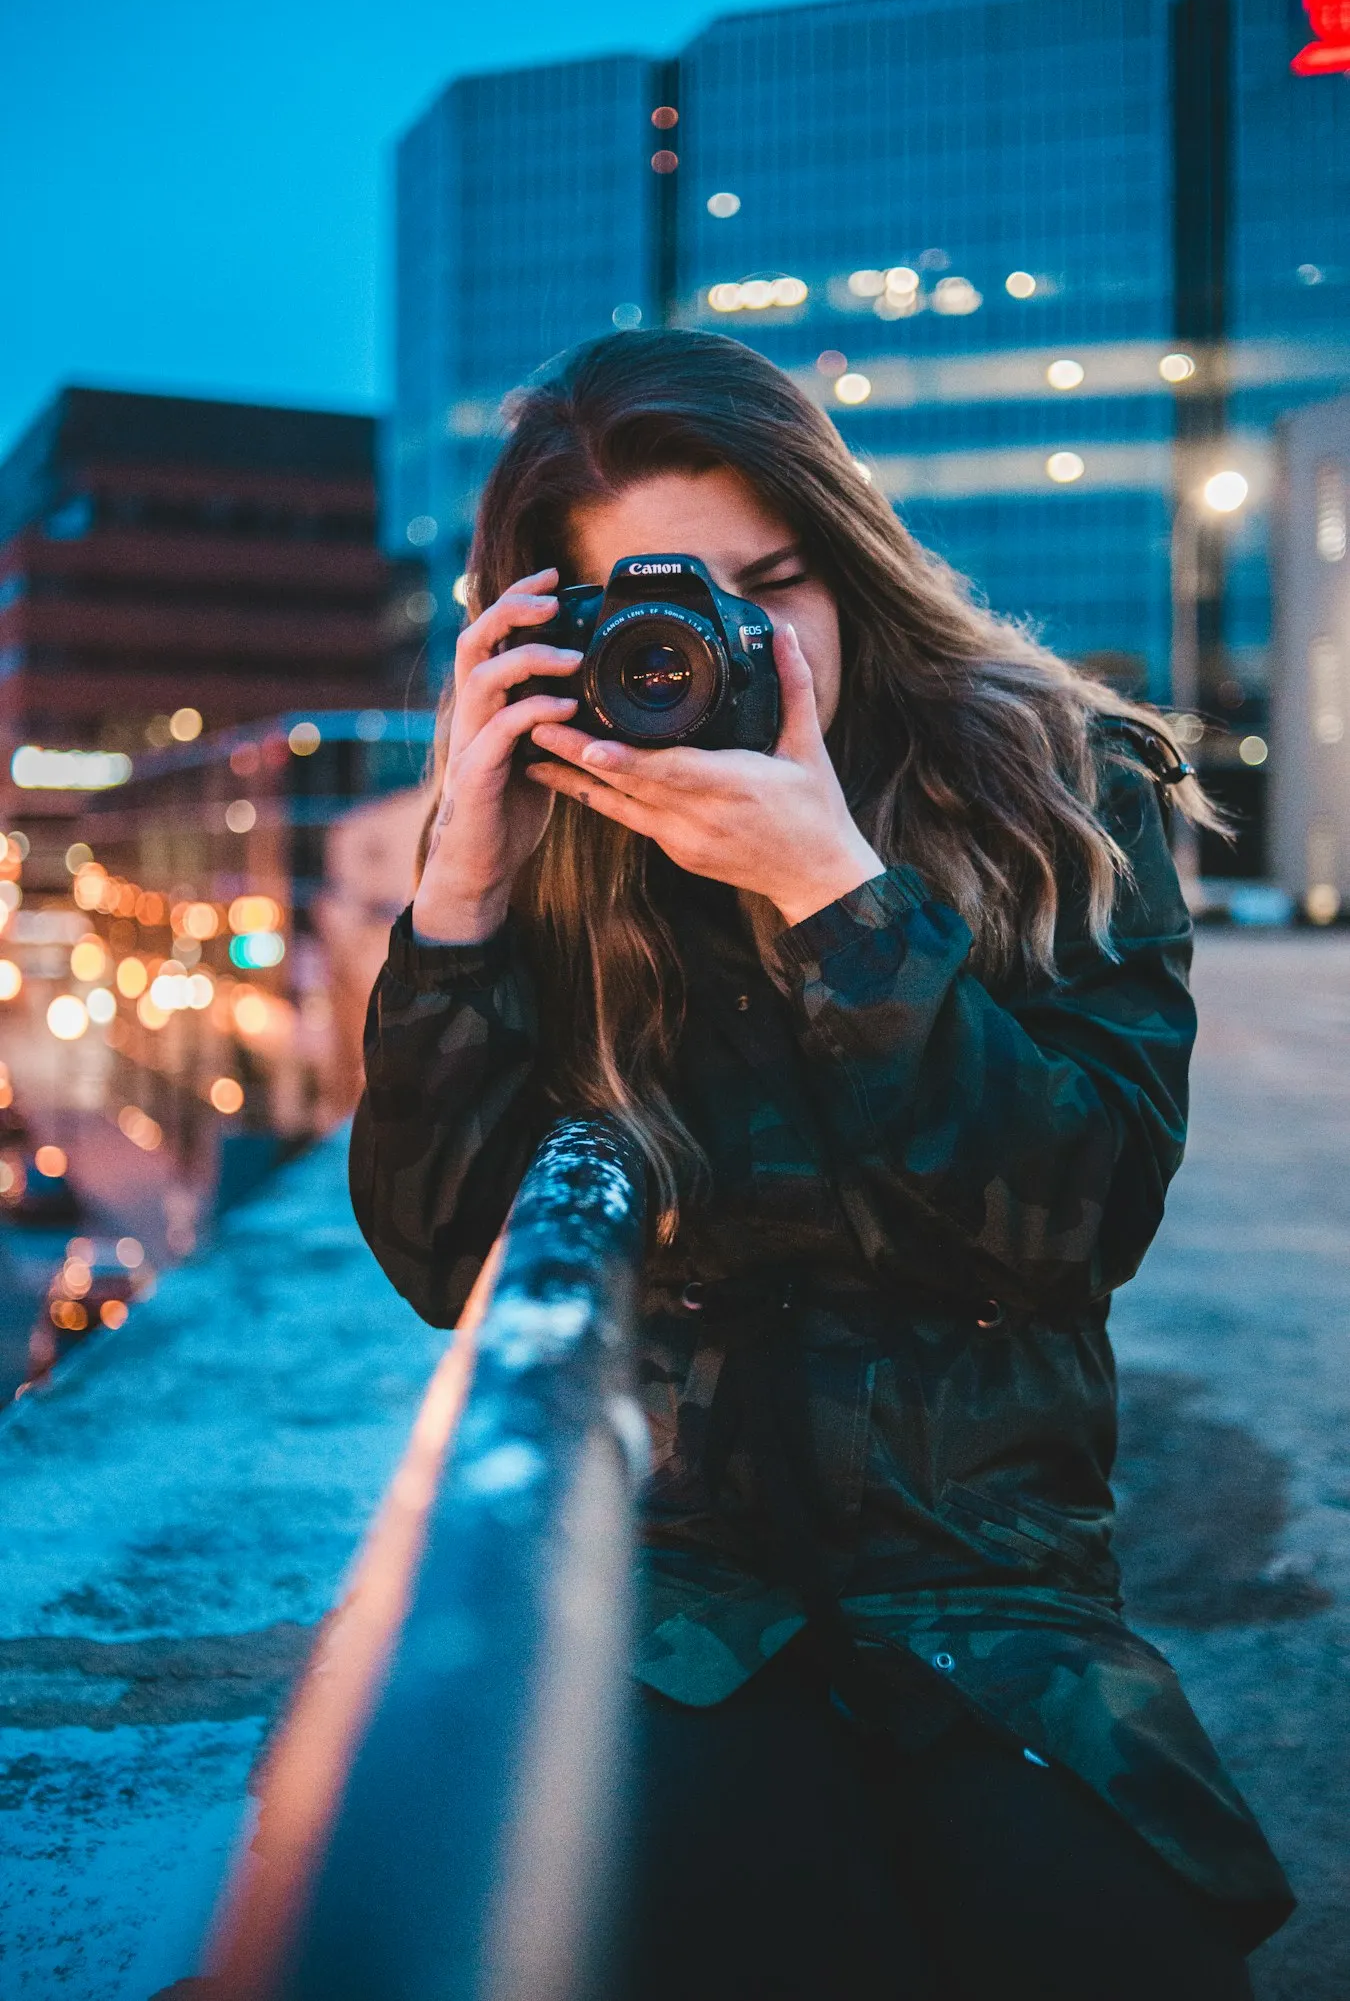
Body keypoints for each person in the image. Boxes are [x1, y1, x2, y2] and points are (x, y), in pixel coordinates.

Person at [350, 330, 1292, 1998]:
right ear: (558, 635)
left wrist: (840, 899)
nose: (729, 646)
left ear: (846, 558)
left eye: (770, 582)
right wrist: (462, 893)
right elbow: (447, 1260)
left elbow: (1077, 1218)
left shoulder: (1058, 788)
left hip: (993, 1602)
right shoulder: (558, 840)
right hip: (665, 1596)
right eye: (655, 610)